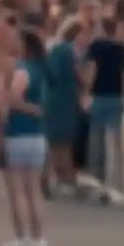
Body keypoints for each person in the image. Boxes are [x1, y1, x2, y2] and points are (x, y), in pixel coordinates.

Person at [2, 28, 49, 246]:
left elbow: (12, 99)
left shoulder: (22, 70)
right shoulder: (41, 69)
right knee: (33, 190)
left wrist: (28, 109)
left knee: (17, 190)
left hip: (18, 132)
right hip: (37, 135)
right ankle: (39, 237)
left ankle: (21, 237)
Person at [82, 17, 124, 202]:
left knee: (97, 140)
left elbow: (92, 69)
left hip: (100, 95)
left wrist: (86, 91)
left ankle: (98, 181)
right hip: (116, 96)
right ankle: (117, 182)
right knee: (116, 141)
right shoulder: (120, 48)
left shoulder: (97, 46)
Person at [43, 17, 85, 197]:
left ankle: (53, 179)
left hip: (52, 99)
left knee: (54, 143)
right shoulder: (69, 51)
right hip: (66, 100)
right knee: (65, 145)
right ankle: (66, 181)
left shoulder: (53, 49)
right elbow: (78, 77)